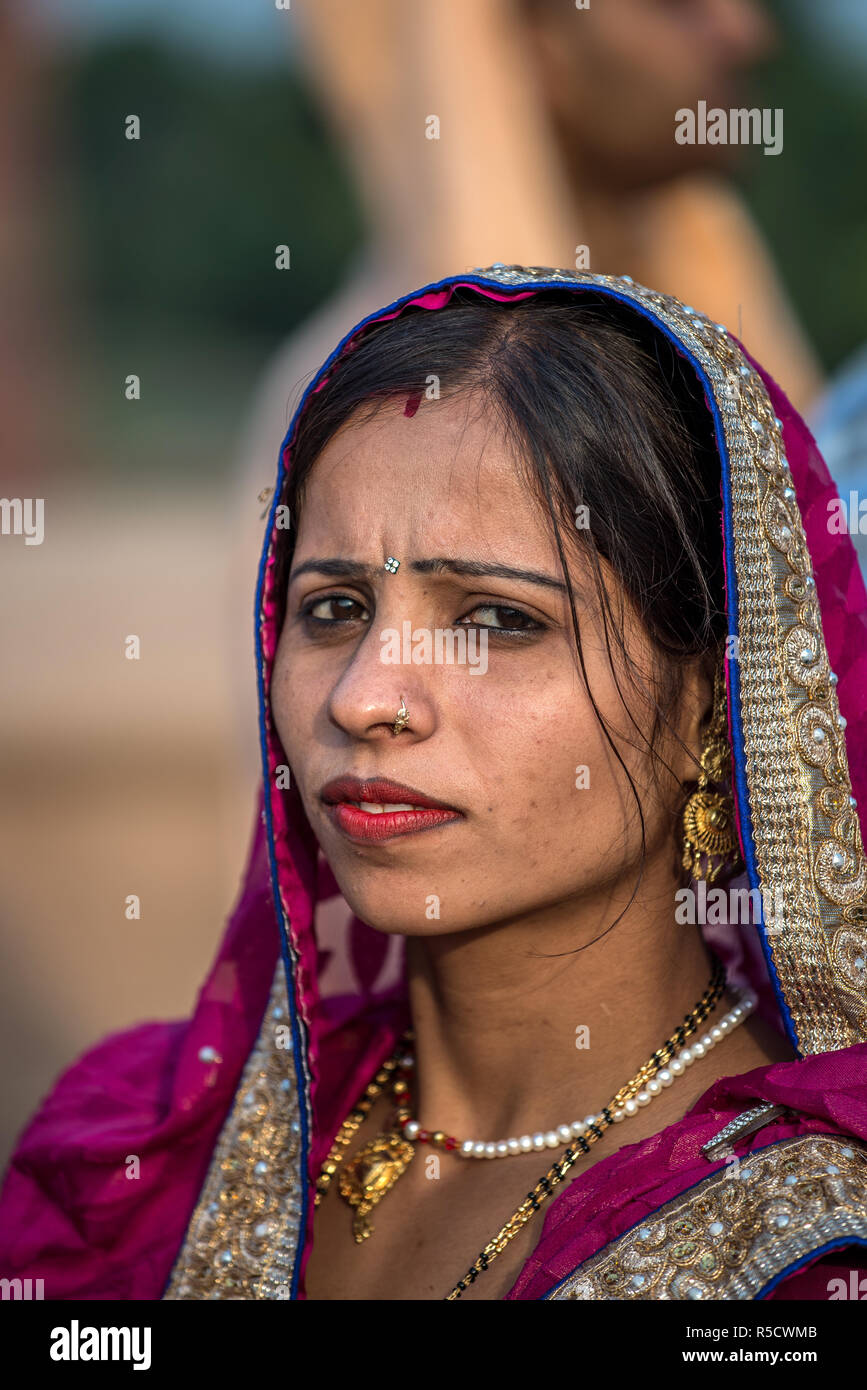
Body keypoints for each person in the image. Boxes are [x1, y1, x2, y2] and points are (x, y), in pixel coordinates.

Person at [1, 265, 865, 1302]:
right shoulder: (140, 1157)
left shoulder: (808, 1258)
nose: (366, 700)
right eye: (332, 609)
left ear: (710, 711)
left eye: (498, 619)